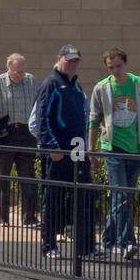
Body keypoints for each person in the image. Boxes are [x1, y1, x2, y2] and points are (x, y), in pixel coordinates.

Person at [30, 45, 95, 260]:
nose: (72, 64)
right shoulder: (51, 84)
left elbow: (83, 119)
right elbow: (41, 120)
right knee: (54, 198)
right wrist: (52, 148)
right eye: (69, 60)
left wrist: (87, 149)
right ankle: (49, 244)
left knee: (84, 197)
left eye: (76, 60)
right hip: (59, 153)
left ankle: (87, 248)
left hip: (78, 152)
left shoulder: (76, 88)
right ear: (59, 59)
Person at [88, 48, 140, 261]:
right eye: (111, 67)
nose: (115, 70)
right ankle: (127, 242)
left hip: (135, 148)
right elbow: (94, 119)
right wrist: (92, 151)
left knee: (123, 196)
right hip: (112, 147)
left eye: (118, 66)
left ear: (125, 63)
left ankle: (108, 238)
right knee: (122, 194)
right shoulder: (102, 88)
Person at [0, 53, 40, 230]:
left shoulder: (31, 81)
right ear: (9, 68)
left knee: (28, 177)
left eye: (22, 71)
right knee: (2, 178)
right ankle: (4, 217)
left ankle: (29, 217)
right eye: (16, 72)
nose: (20, 75)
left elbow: (40, 105)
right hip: (5, 133)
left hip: (26, 134)